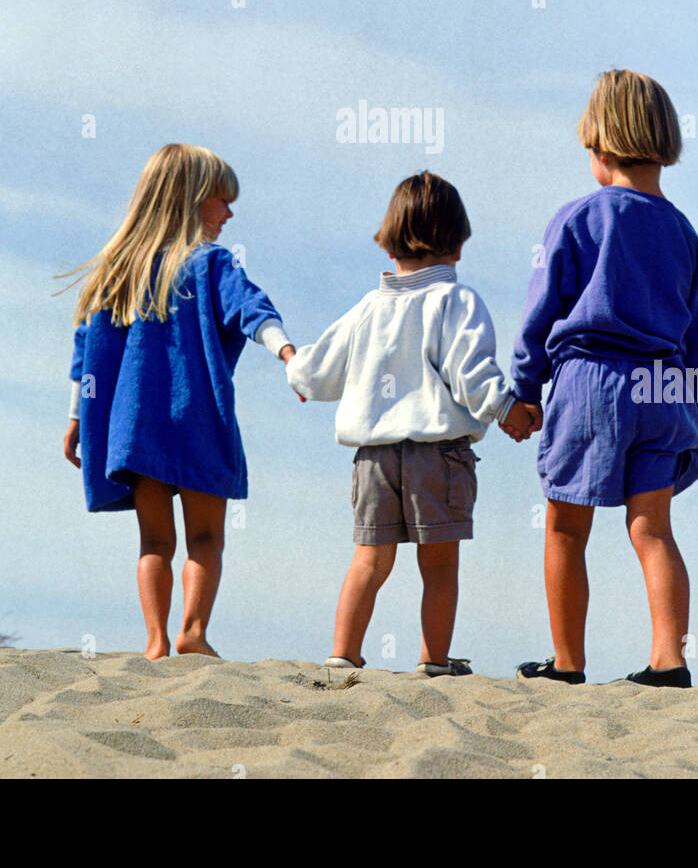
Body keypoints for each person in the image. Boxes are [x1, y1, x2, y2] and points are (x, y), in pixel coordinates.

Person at [511, 70, 698, 688]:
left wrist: (526, 389)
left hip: (591, 382)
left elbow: (542, 310)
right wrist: (693, 400)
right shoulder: (683, 232)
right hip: (663, 388)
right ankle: (668, 659)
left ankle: (569, 663)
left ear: (600, 145)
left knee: (565, 527)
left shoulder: (579, 218)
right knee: (652, 529)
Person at [286, 171, 536, 676]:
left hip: (373, 458)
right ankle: (433, 661)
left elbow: (316, 372)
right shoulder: (456, 301)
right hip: (437, 452)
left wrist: (294, 363)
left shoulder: (367, 309)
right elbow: (468, 373)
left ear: (389, 242)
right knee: (439, 566)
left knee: (368, 560)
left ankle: (343, 653)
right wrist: (507, 408)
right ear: (458, 246)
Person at [58, 143, 294, 660]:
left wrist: (77, 418)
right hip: (197, 422)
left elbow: (85, 352)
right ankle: (193, 631)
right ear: (191, 199)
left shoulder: (116, 272)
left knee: (153, 543)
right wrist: (288, 353)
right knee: (206, 538)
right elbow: (252, 311)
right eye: (221, 199)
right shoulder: (212, 263)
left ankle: (155, 641)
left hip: (136, 427)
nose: (229, 213)